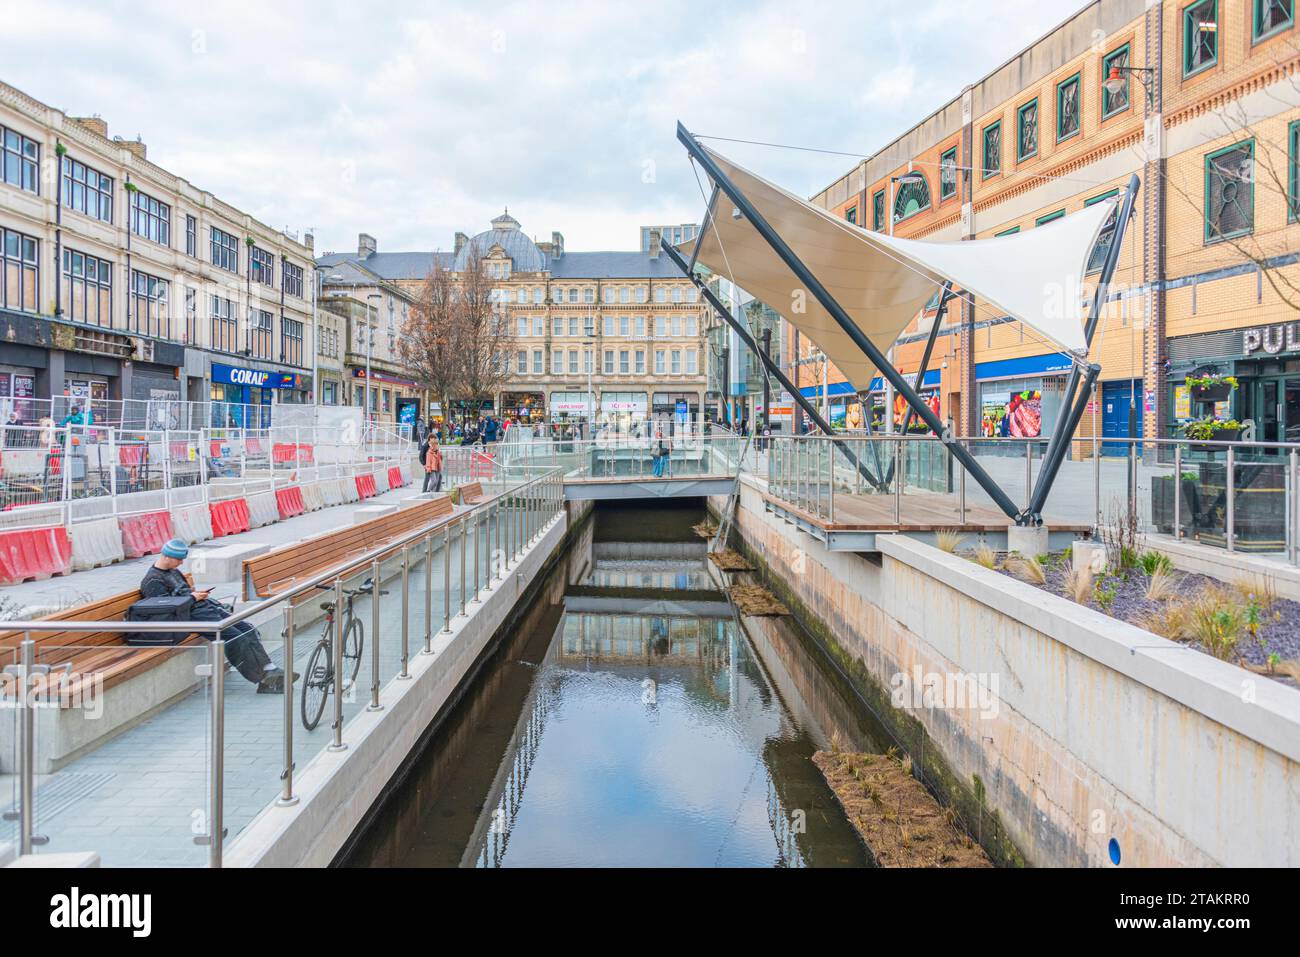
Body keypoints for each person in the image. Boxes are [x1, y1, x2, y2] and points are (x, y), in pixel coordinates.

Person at [140, 540, 289, 693]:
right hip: (190, 618)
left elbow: (181, 595)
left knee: (247, 629)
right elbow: (163, 609)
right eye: (179, 559)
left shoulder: (173, 572)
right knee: (235, 638)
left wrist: (195, 595)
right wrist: (193, 598)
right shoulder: (152, 580)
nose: (181, 562)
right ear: (166, 557)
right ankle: (263, 679)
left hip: (203, 610)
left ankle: (269, 668)